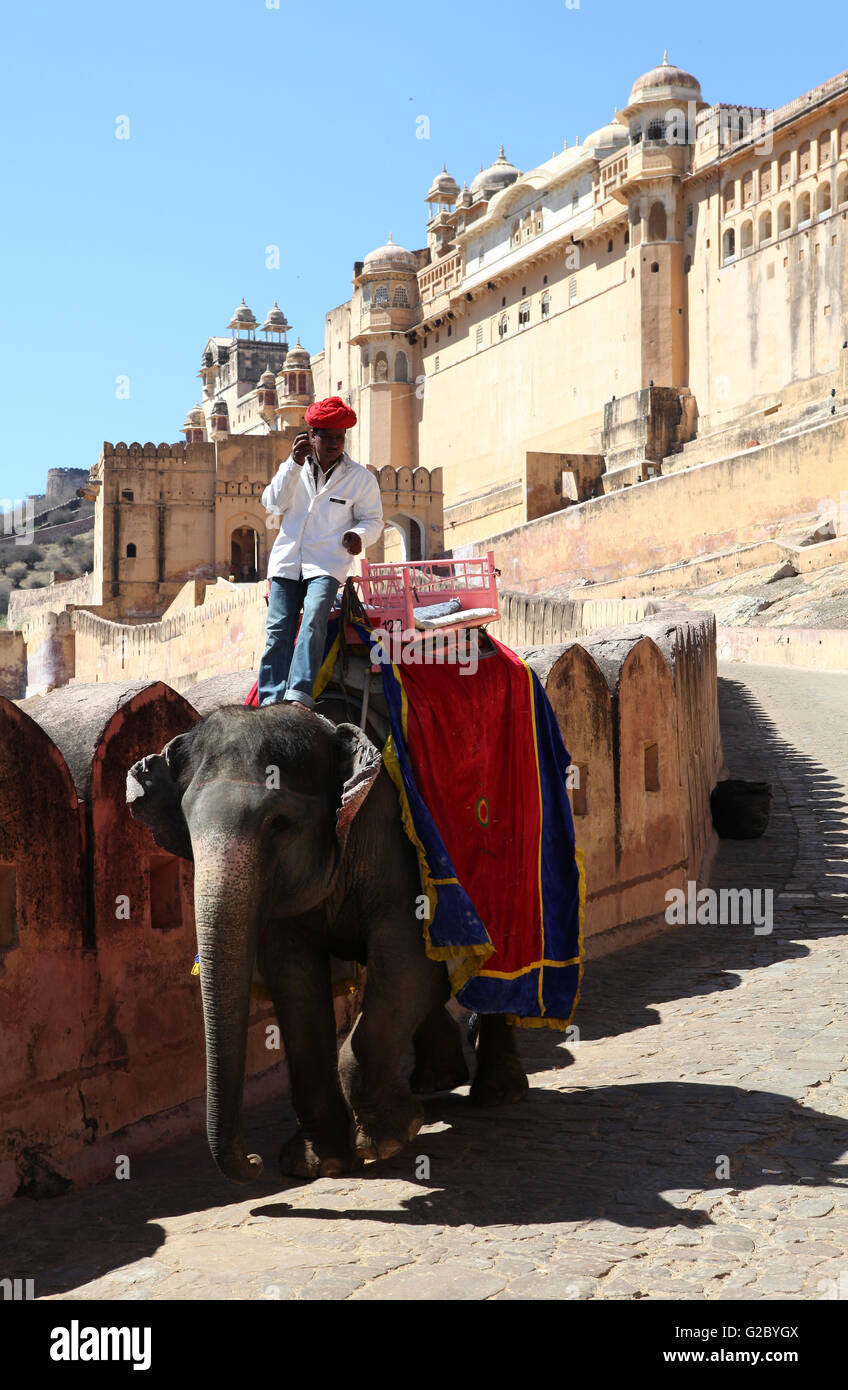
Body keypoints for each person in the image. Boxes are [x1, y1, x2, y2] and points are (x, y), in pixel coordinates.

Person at [257, 396, 383, 709]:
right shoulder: (293, 469)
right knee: (278, 628)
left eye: (339, 438)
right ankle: (271, 697)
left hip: (327, 563)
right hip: (288, 561)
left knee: (313, 620)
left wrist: (359, 535)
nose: (334, 444)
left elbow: (373, 520)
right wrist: (292, 466)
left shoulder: (360, 479)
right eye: (327, 437)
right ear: (311, 436)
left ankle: (299, 695)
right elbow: (272, 504)